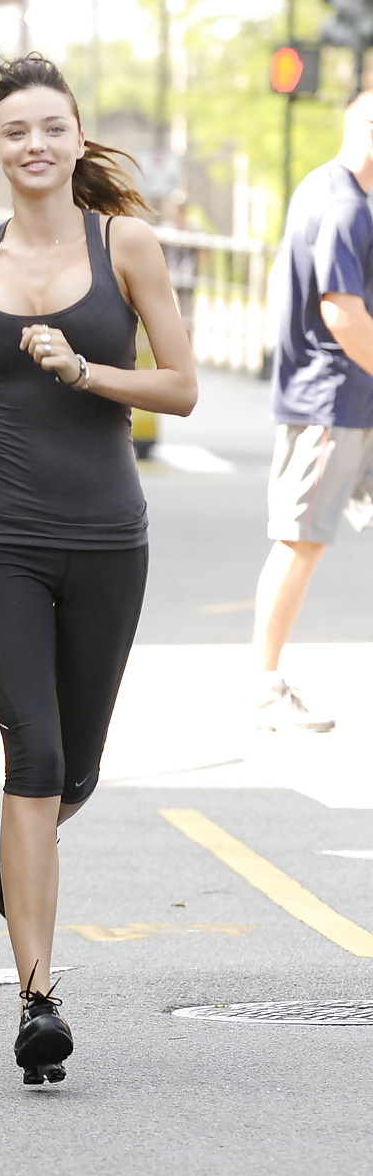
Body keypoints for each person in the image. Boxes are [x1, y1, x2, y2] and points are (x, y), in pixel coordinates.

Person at [0, 52, 196, 1087]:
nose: (33, 143)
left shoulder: (124, 242)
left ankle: (23, 852)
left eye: (51, 126)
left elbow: (176, 387)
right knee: (31, 757)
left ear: (75, 135)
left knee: (74, 771)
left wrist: (86, 370)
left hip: (106, 541)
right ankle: (37, 998)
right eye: (15, 130)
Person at [252, 93, 373, 733]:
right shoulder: (346, 206)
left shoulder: (319, 188)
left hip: (345, 396)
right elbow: (342, 312)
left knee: (304, 538)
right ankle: (265, 687)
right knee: (300, 539)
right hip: (333, 399)